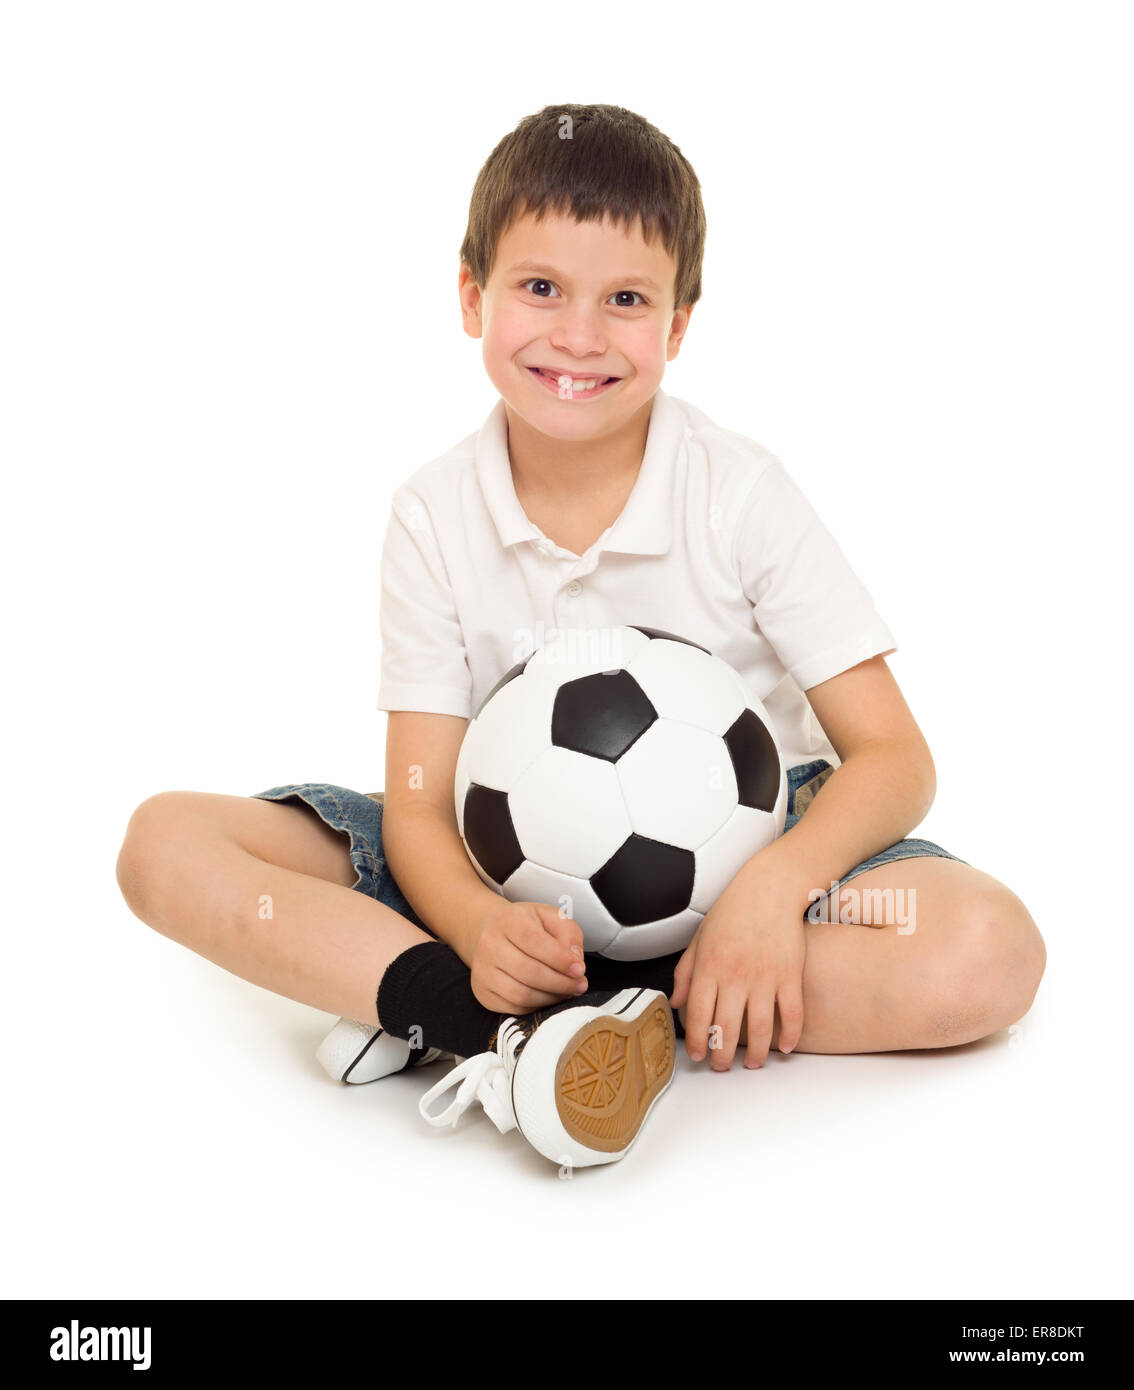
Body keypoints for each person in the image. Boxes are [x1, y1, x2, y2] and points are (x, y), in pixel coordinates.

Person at [115, 103, 1046, 1170]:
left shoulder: (737, 493)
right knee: (164, 843)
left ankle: (523, 1007)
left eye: (627, 300)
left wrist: (770, 892)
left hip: (754, 858)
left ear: (678, 327)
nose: (579, 335)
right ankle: (496, 1016)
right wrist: (472, 926)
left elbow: (894, 756)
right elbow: (417, 802)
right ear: (472, 296)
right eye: (541, 287)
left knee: (989, 953)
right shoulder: (432, 510)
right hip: (492, 872)